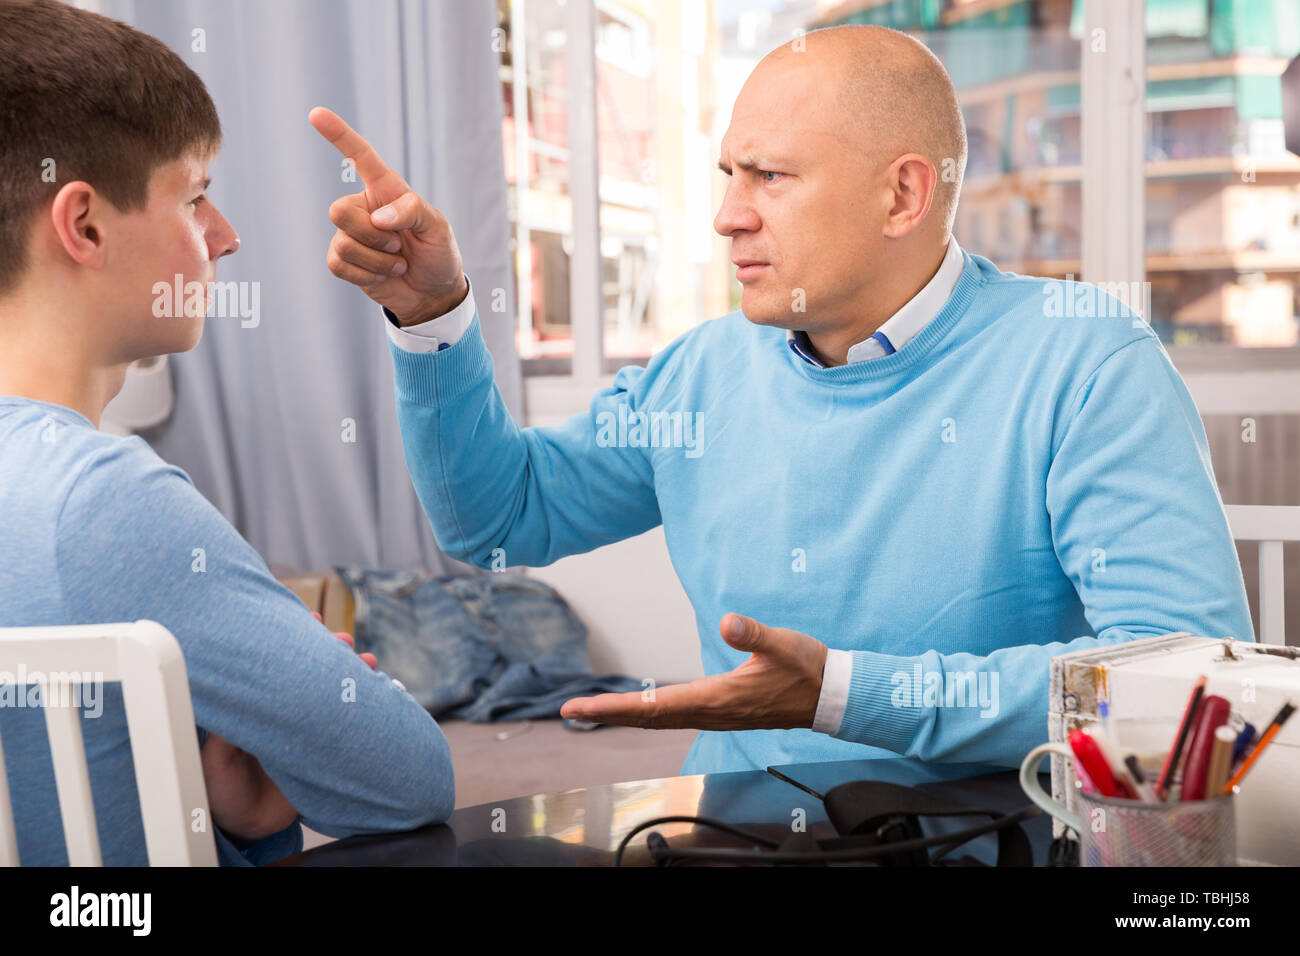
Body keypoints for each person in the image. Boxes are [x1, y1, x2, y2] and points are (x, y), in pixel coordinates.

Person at [311, 23, 1253, 777]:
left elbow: (1190, 695)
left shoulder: (1087, 360)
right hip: (737, 840)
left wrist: (842, 694)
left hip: (996, 844)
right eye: (728, 174)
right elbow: (498, 519)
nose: (728, 213)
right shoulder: (705, 372)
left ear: (902, 197)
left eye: (770, 175)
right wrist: (431, 314)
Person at [0, 0, 453, 865]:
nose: (227, 237)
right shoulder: (101, 501)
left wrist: (235, 817)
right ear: (84, 225)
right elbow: (411, 780)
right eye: (197, 197)